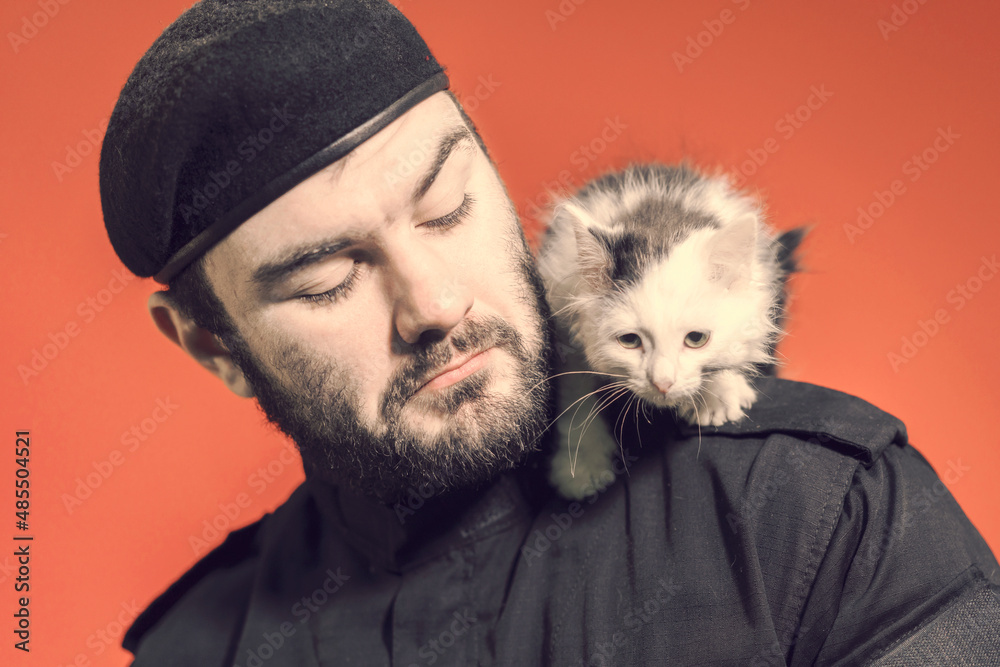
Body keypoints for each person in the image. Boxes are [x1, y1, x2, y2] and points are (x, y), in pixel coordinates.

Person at [99, 1, 1000, 665]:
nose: (437, 305)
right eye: (329, 279)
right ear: (213, 346)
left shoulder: (818, 514)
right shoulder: (191, 648)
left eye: (448, 209)